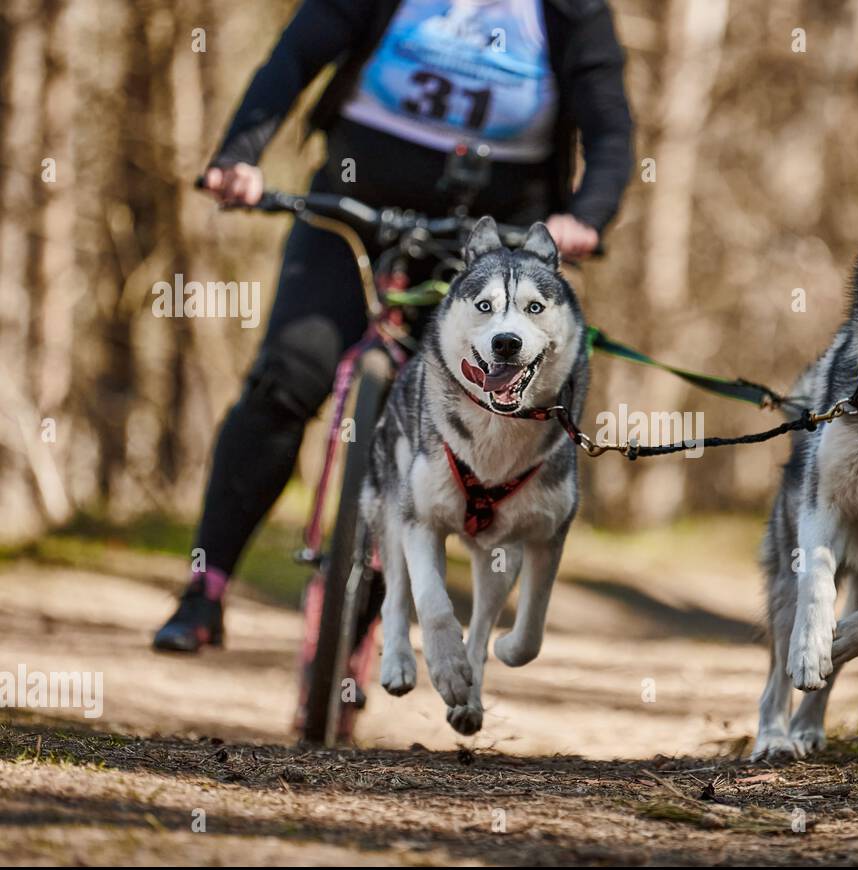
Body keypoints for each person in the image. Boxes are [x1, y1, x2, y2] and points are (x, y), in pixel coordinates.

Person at [153, 0, 633, 651]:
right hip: (354, 209)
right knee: (287, 380)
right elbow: (293, 57)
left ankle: (368, 615)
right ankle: (204, 592)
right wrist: (240, 155)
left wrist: (588, 215)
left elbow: (610, 127)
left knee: (452, 427)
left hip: (496, 239)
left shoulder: (571, 10)